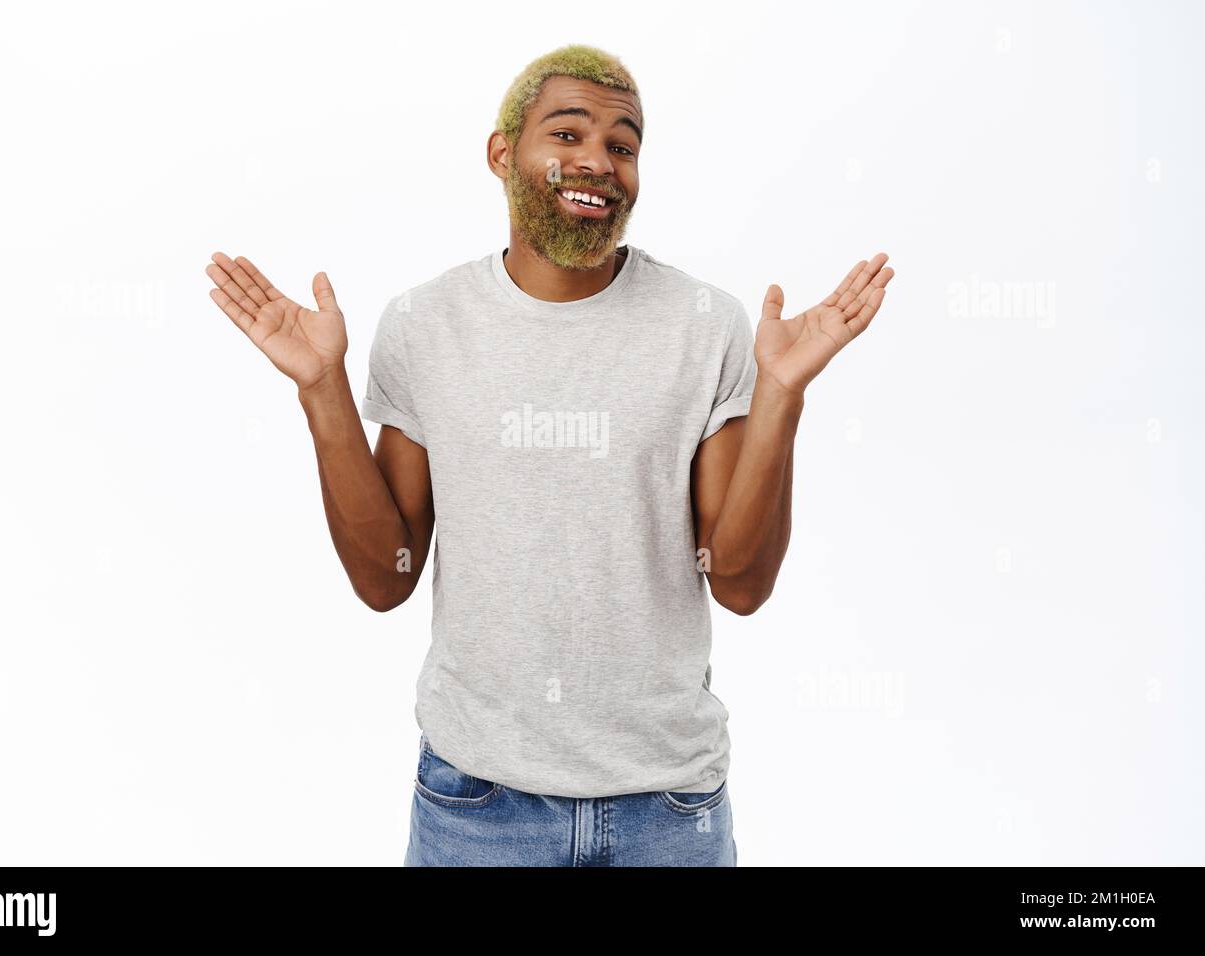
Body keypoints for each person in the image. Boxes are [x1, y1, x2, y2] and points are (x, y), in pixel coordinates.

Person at [205, 44, 894, 866]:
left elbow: (740, 585)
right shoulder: (426, 325)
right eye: (567, 134)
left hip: (668, 810)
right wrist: (321, 387)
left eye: (623, 145)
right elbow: (386, 577)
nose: (596, 163)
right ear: (503, 153)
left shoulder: (704, 325)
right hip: (477, 806)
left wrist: (782, 396)